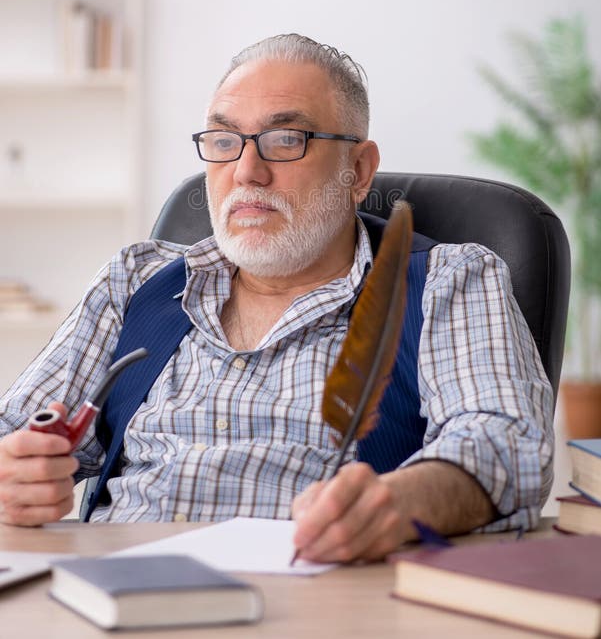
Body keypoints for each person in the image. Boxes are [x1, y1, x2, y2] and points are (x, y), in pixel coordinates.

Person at [0, 34, 553, 563]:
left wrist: (404, 503)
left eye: (286, 140)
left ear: (357, 171)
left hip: (324, 605)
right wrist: (13, 476)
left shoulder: (447, 282)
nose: (247, 172)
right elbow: (15, 432)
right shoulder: (134, 280)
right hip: (111, 592)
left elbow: (508, 444)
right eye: (223, 141)